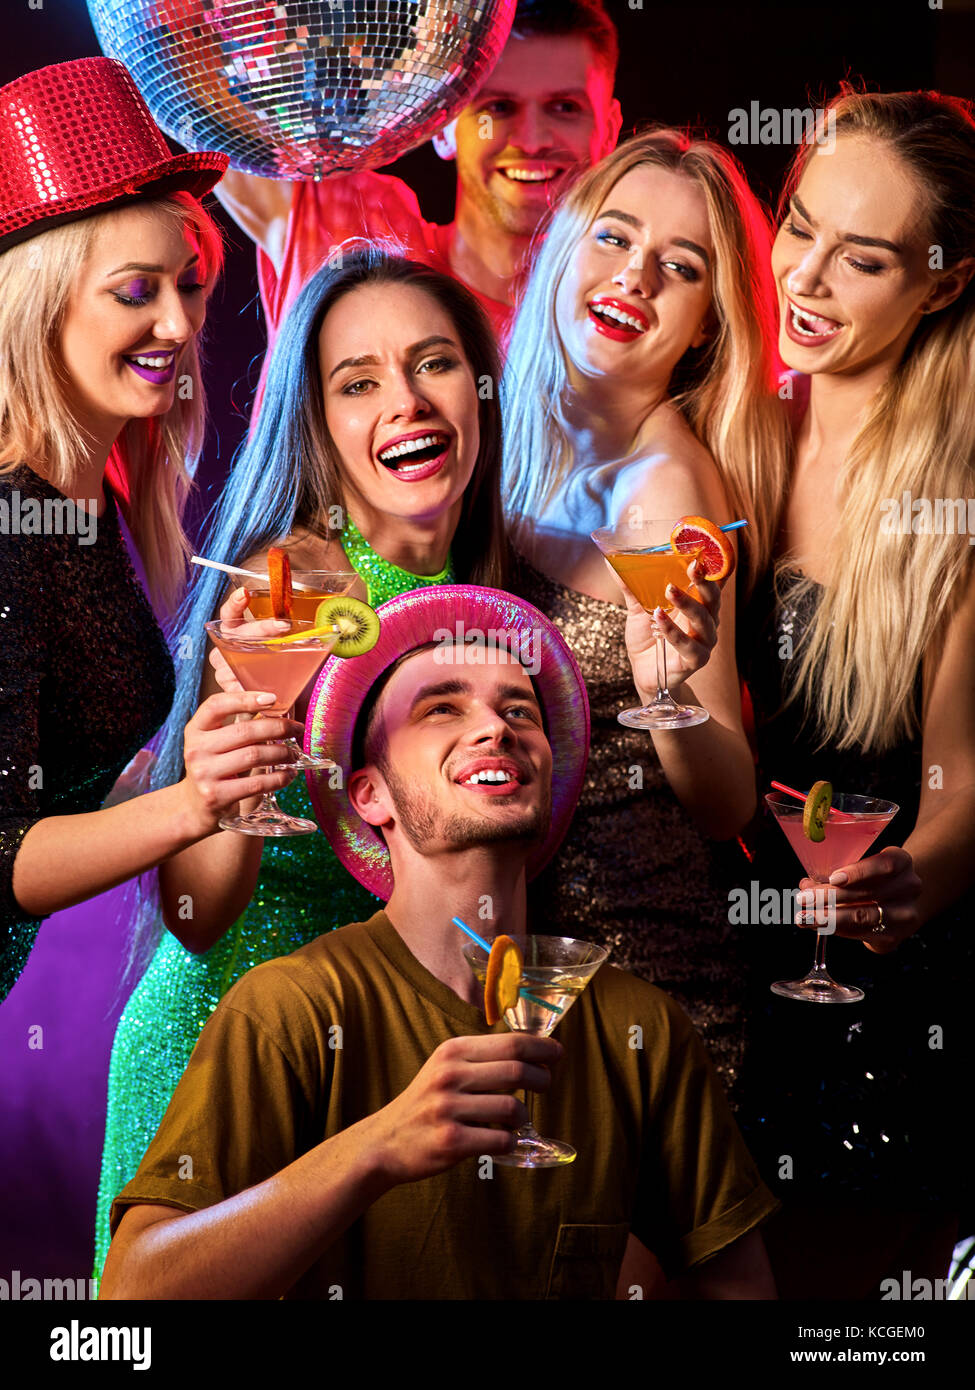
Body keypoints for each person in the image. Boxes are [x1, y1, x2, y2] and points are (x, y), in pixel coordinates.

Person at [99, 586, 779, 1300]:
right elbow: (133, 1295)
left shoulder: (638, 1027)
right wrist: (375, 1149)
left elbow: (739, 1289)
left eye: (520, 710)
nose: (496, 728)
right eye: (442, 709)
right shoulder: (288, 1011)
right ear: (369, 796)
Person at [92, 246, 509, 1280]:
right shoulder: (297, 584)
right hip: (221, 1045)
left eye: (434, 364)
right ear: (317, 423)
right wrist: (226, 791)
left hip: (378, 1054)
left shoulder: (500, 583)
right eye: (357, 383)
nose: (405, 401)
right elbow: (192, 921)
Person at [734, 87, 975, 1298]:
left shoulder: (956, 493)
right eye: (799, 225)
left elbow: (962, 779)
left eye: (864, 257)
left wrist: (911, 883)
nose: (810, 279)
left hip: (886, 1007)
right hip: (723, 971)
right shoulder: (732, 430)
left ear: (942, 281)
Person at [0, 57, 307, 1005]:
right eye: (137, 291)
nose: (179, 321)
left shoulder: (104, 501)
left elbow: (82, 799)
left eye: (191, 281)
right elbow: (10, 857)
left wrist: (224, 729)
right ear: (40, 301)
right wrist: (195, 798)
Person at [502, 128, 789, 1094]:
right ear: (564, 247)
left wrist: (669, 688)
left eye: (682, 267)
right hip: (512, 977)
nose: (637, 276)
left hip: (634, 988)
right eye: (614, 239)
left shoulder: (665, 494)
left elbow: (727, 803)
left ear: (708, 322)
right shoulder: (500, 434)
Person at [216, 0, 623, 348]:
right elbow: (197, 77)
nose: (532, 141)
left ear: (609, 131)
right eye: (498, 107)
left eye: (565, 108)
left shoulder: (614, 328)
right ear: (441, 126)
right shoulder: (356, 228)